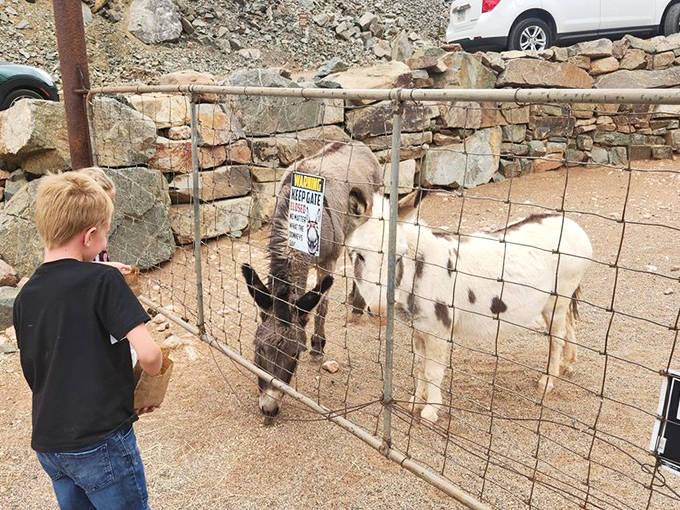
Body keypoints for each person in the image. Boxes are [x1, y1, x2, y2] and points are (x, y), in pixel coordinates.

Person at [13, 172, 162, 510]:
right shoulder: (105, 280)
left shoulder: (25, 297)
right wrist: (144, 385)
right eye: (106, 233)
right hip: (101, 440)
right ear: (90, 235)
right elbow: (150, 355)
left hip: (50, 444)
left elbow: (35, 369)